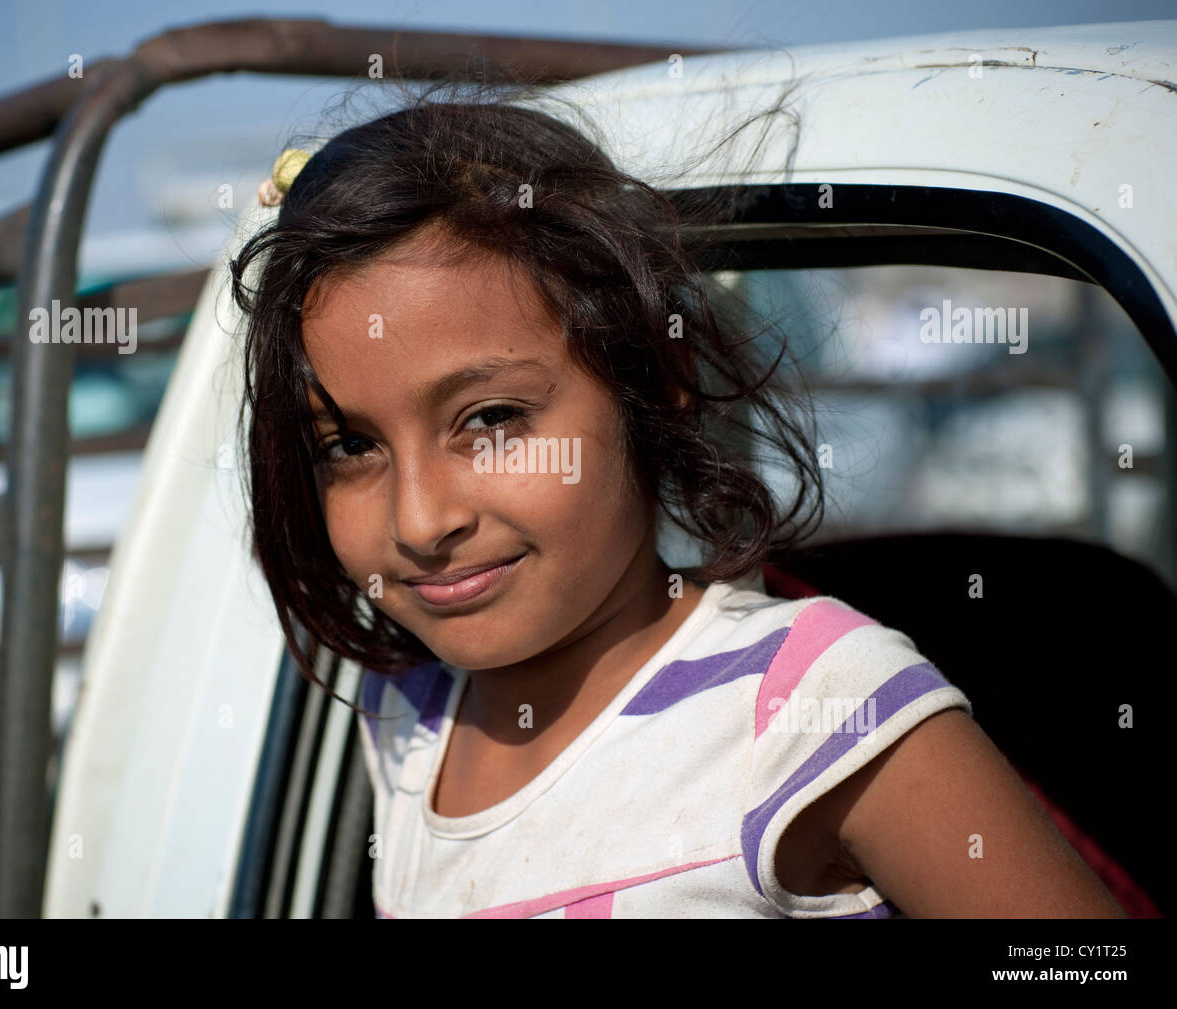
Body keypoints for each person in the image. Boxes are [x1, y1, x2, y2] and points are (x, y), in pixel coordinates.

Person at [228, 76, 1125, 919]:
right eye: (350, 446)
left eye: (492, 419)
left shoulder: (809, 705)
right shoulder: (407, 718)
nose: (421, 520)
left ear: (653, 382)